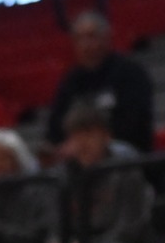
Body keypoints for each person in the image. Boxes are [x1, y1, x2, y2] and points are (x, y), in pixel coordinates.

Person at [14, 103, 157, 243]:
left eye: (89, 134)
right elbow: (54, 226)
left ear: (106, 136)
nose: (82, 143)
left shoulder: (126, 170)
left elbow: (129, 229)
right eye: (75, 136)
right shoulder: (60, 178)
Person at [46, 10, 154, 153]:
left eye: (91, 37)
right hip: (79, 156)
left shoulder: (130, 73)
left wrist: (95, 143)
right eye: (80, 39)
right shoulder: (70, 81)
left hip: (123, 152)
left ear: (106, 38)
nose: (86, 45)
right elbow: (54, 128)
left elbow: (136, 124)